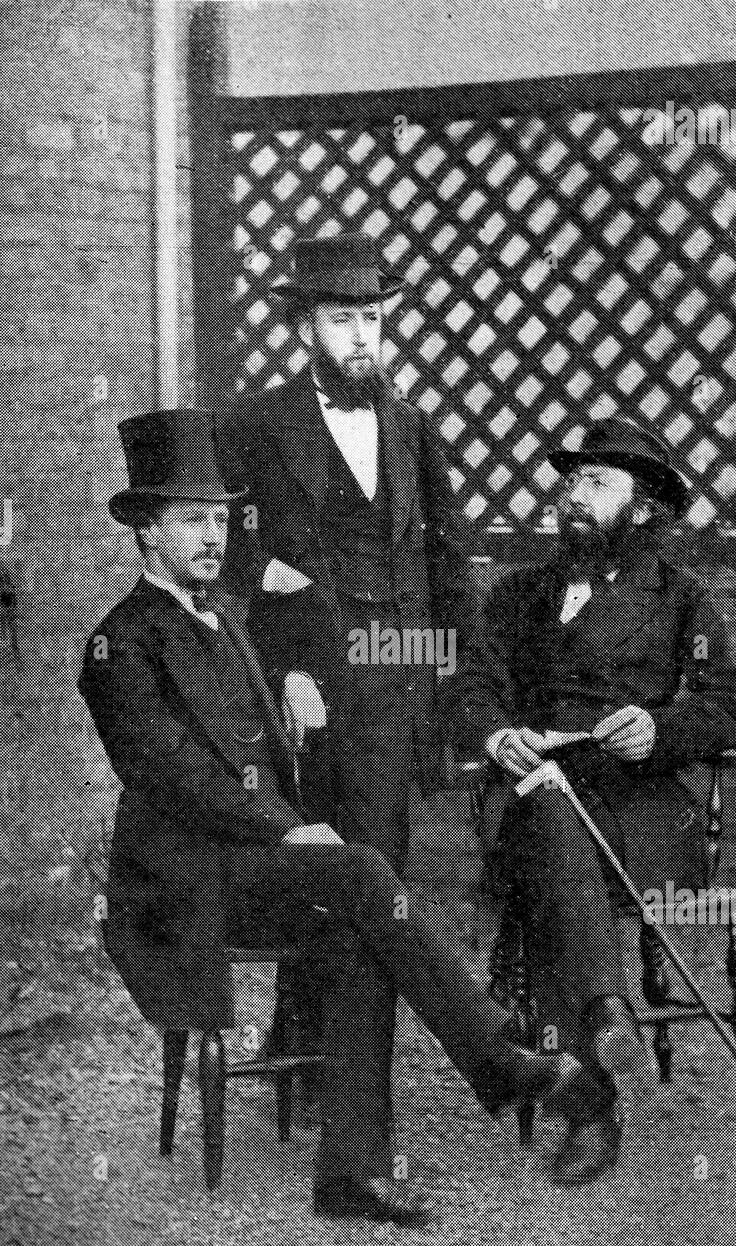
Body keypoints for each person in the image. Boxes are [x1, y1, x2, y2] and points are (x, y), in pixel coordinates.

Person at [79, 407, 590, 1227]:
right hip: (175, 883)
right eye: (189, 520)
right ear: (144, 530)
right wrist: (284, 826)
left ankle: (350, 1173)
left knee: (361, 919)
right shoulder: (120, 644)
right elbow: (171, 776)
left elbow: (251, 751)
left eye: (220, 518)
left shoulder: (231, 623)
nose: (213, 536)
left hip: (244, 868)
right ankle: (500, 1061)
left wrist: (289, 699)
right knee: (357, 868)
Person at [452, 417, 736, 1185]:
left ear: (644, 506)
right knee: (550, 811)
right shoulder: (521, 594)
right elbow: (467, 687)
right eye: (571, 480)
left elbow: (734, 708)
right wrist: (496, 738)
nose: (572, 495)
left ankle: (592, 1084)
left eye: (596, 482)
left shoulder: (678, 599)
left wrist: (659, 726)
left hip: (645, 814)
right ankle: (604, 1021)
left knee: (556, 862)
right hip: (538, 795)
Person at [216, 230, 473, 1126]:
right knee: (325, 860)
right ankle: (323, 1064)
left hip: (395, 685)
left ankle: (334, 1069)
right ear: (306, 328)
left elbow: (448, 562)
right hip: (308, 687)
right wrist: (261, 579)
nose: (360, 335)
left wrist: (453, 687)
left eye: (370, 317)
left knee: (369, 866)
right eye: (340, 318)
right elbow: (213, 539)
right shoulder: (257, 423)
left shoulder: (408, 427)